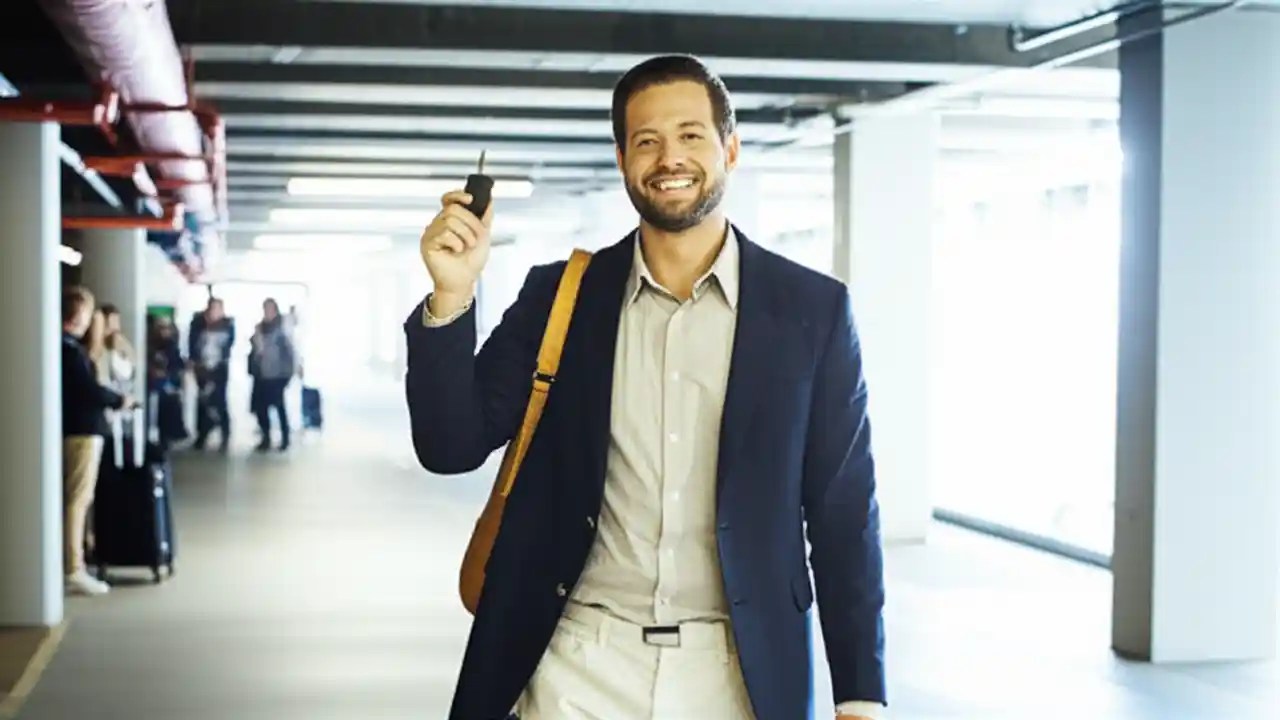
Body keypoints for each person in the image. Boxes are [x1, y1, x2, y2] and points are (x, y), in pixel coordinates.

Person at [405, 55, 886, 720]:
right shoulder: (562, 298)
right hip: (576, 663)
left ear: (731, 149)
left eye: (691, 135)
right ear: (623, 158)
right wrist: (452, 296)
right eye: (647, 141)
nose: (670, 158)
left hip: (736, 675)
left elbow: (843, 517)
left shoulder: (813, 312)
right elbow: (449, 444)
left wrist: (861, 694)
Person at [61, 287, 136, 596]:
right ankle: (73, 566)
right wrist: (120, 400)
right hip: (83, 431)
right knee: (78, 499)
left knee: (76, 498)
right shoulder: (70, 351)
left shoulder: (67, 349)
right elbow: (89, 391)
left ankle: (73, 559)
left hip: (76, 429)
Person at [249, 298, 297, 452]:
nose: (267, 312)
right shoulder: (259, 328)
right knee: (261, 409)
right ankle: (265, 437)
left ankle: (285, 439)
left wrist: (288, 375)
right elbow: (255, 351)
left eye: (270, 309)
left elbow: (289, 354)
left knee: (279, 407)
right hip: (261, 374)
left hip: (277, 375)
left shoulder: (282, 329)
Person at [188, 297, 235, 451]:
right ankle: (202, 435)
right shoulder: (198, 325)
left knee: (220, 402)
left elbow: (227, 348)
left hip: (219, 370)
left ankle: (224, 433)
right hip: (202, 369)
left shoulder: (227, 326)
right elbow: (193, 346)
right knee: (202, 403)